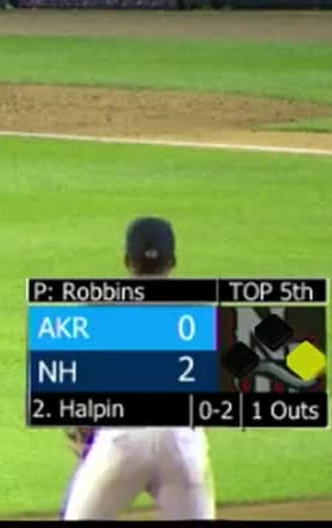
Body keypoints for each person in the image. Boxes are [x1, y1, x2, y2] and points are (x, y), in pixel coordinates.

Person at [59, 217, 216, 520]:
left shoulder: (97, 310)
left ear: (127, 260)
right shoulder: (202, 312)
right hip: (182, 443)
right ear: (172, 261)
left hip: (121, 440)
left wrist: (82, 437)